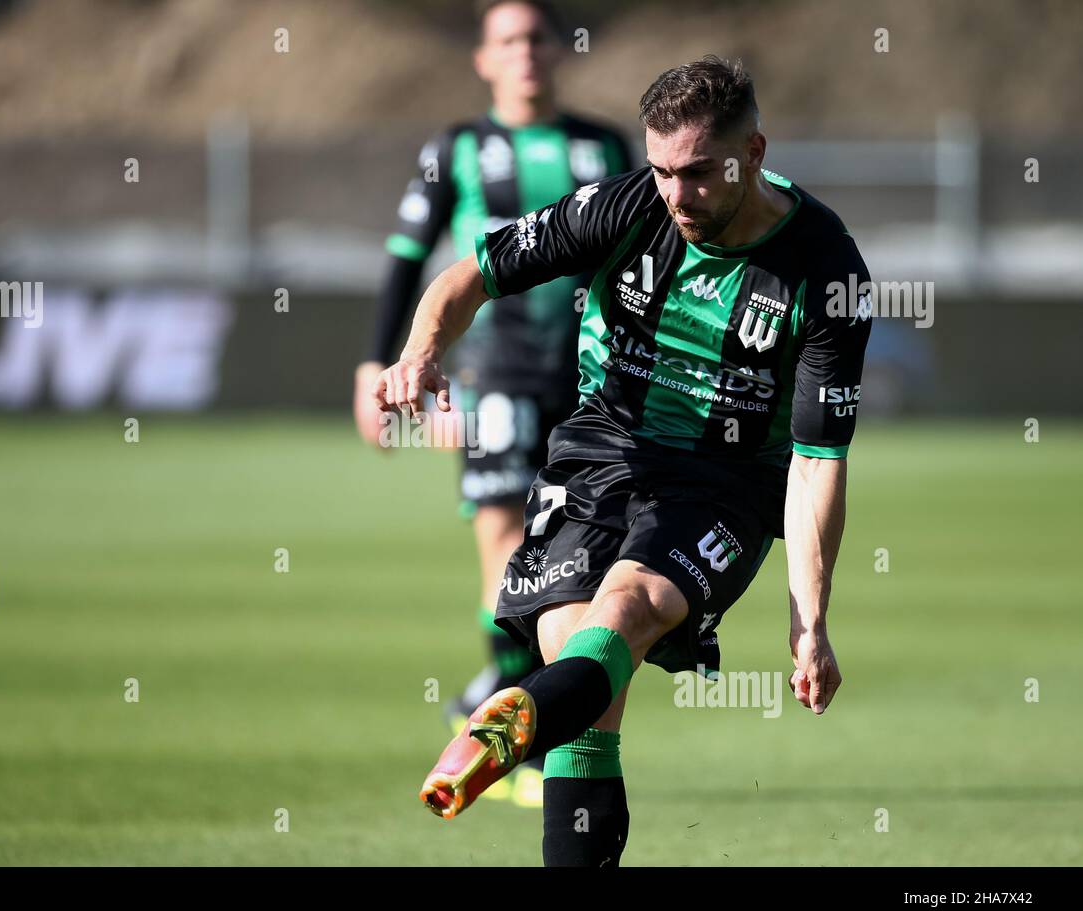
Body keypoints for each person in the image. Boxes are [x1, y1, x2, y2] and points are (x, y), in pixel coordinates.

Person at [373, 56, 873, 866]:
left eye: (701, 173)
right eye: (664, 170)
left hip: (725, 481)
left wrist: (810, 619)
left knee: (629, 611)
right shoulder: (624, 206)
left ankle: (510, 723)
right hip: (598, 455)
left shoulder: (826, 269)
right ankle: (538, 717)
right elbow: (473, 273)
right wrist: (418, 353)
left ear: (754, 150)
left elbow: (818, 460)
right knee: (587, 688)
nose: (678, 195)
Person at [353, 0, 631, 808]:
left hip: (591, 379)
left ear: (559, 50)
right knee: (508, 545)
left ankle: (505, 698)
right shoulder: (459, 149)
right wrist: (380, 365)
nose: (526, 53)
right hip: (495, 376)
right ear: (483, 59)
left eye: (538, 38)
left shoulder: (604, 145)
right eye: (508, 40)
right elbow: (407, 257)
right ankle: (519, 731)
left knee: (583, 555)